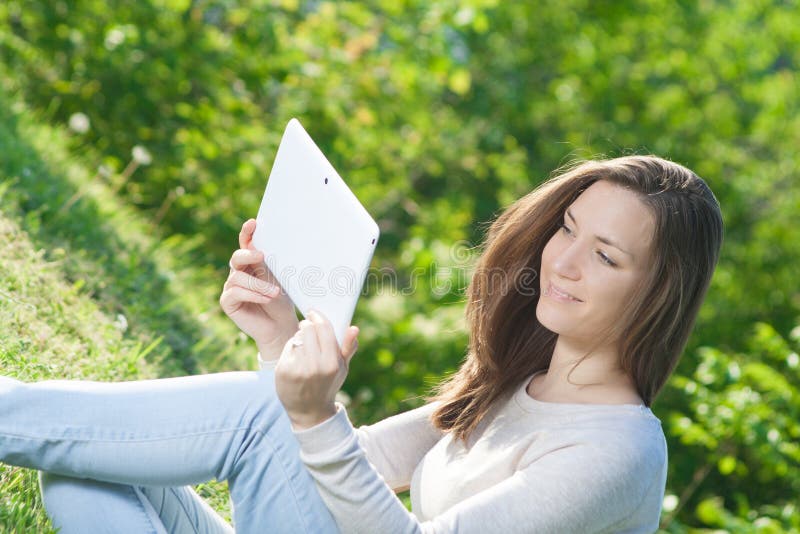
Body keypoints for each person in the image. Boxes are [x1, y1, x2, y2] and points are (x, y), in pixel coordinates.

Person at [0, 154, 723, 533]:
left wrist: (307, 413)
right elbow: (359, 463)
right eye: (567, 228)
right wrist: (282, 343)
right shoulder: (524, 382)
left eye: (605, 256)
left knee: (262, 416)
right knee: (85, 476)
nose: (563, 261)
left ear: (659, 291)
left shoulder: (620, 450)